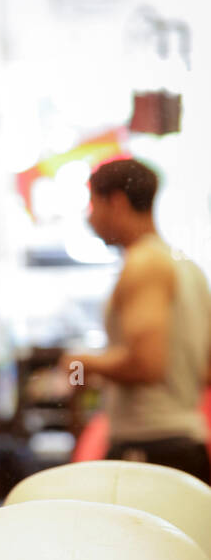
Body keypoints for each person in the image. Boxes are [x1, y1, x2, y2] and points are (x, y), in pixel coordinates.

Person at [61, 157, 211, 483]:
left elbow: (147, 364)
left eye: (92, 204)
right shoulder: (188, 267)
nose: (90, 217)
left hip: (150, 448)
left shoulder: (143, 263)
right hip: (185, 444)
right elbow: (204, 368)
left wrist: (82, 362)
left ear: (115, 201)